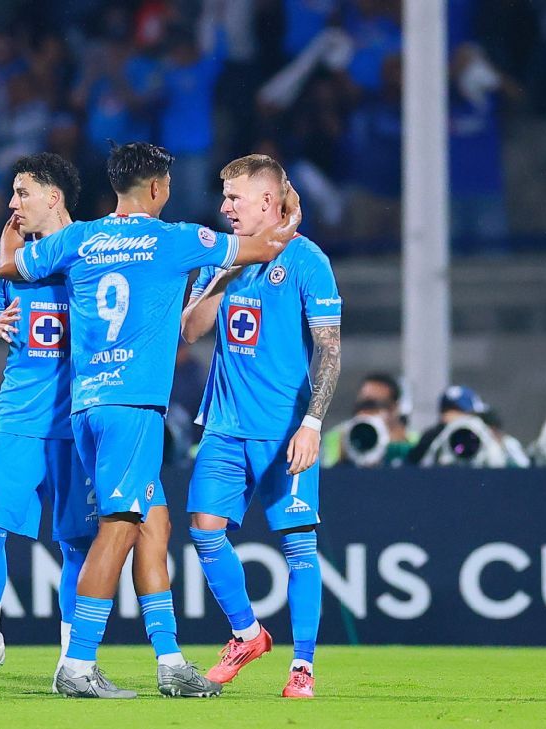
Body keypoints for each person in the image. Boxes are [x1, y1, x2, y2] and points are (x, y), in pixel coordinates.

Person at [0, 142, 301, 699]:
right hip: (133, 409)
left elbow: (10, 265)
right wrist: (290, 215)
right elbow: (264, 248)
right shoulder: (177, 240)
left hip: (87, 408)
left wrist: (12, 223)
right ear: (158, 188)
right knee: (117, 529)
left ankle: (170, 660)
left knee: (153, 525)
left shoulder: (78, 238)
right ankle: (78, 664)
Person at [179, 154, 342, 699]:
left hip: (284, 431)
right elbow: (191, 330)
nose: (223, 206)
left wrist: (313, 423)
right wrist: (226, 269)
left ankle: (302, 667)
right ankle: (247, 633)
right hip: (224, 426)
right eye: (224, 196)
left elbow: (330, 352)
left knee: (298, 547)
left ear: (268, 202)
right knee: (204, 529)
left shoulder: (306, 260)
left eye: (235, 197)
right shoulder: (222, 256)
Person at [0, 153, 97, 691]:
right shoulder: (5, 261)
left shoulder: (89, 251)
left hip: (77, 422)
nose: (12, 204)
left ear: (52, 198)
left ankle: (69, 657)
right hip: (16, 417)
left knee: (76, 544)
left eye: (21, 193)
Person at [321, 373, 417, 468]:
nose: (369, 410)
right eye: (364, 403)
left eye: (379, 404)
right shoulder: (336, 437)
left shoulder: (410, 440)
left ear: (394, 409)